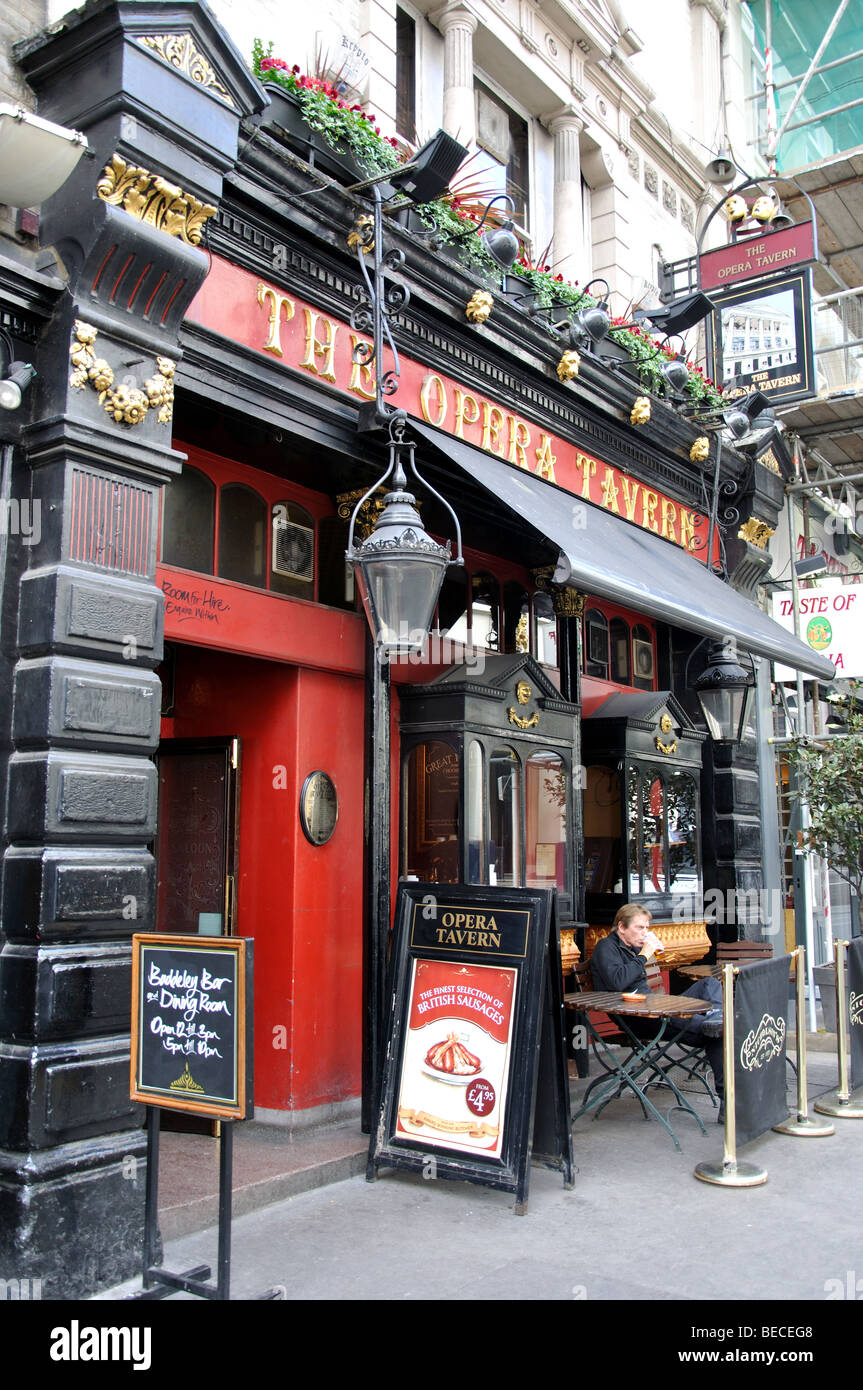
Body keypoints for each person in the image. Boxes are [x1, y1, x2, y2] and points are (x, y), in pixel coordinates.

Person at [589, 903, 724, 1111]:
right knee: (716, 1033)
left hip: (655, 1007)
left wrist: (650, 952)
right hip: (638, 1017)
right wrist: (644, 954)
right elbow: (617, 982)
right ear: (622, 927)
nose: (645, 932)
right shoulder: (606, 948)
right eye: (640, 927)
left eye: (647, 928)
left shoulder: (632, 946)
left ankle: (716, 1015)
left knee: (709, 984)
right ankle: (728, 1100)